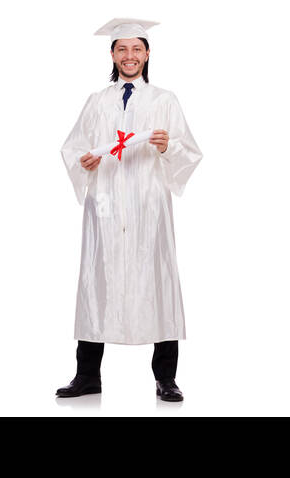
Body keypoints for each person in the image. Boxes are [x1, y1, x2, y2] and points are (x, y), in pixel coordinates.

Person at [56, 18, 203, 402]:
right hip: (104, 205)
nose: (129, 56)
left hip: (148, 205)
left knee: (158, 281)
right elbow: (73, 147)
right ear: (112, 54)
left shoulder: (164, 100)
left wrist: (167, 145)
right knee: (96, 281)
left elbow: (190, 152)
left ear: (148, 54)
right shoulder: (97, 101)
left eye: (136, 49)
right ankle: (87, 375)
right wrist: (83, 162)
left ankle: (166, 377)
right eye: (122, 49)